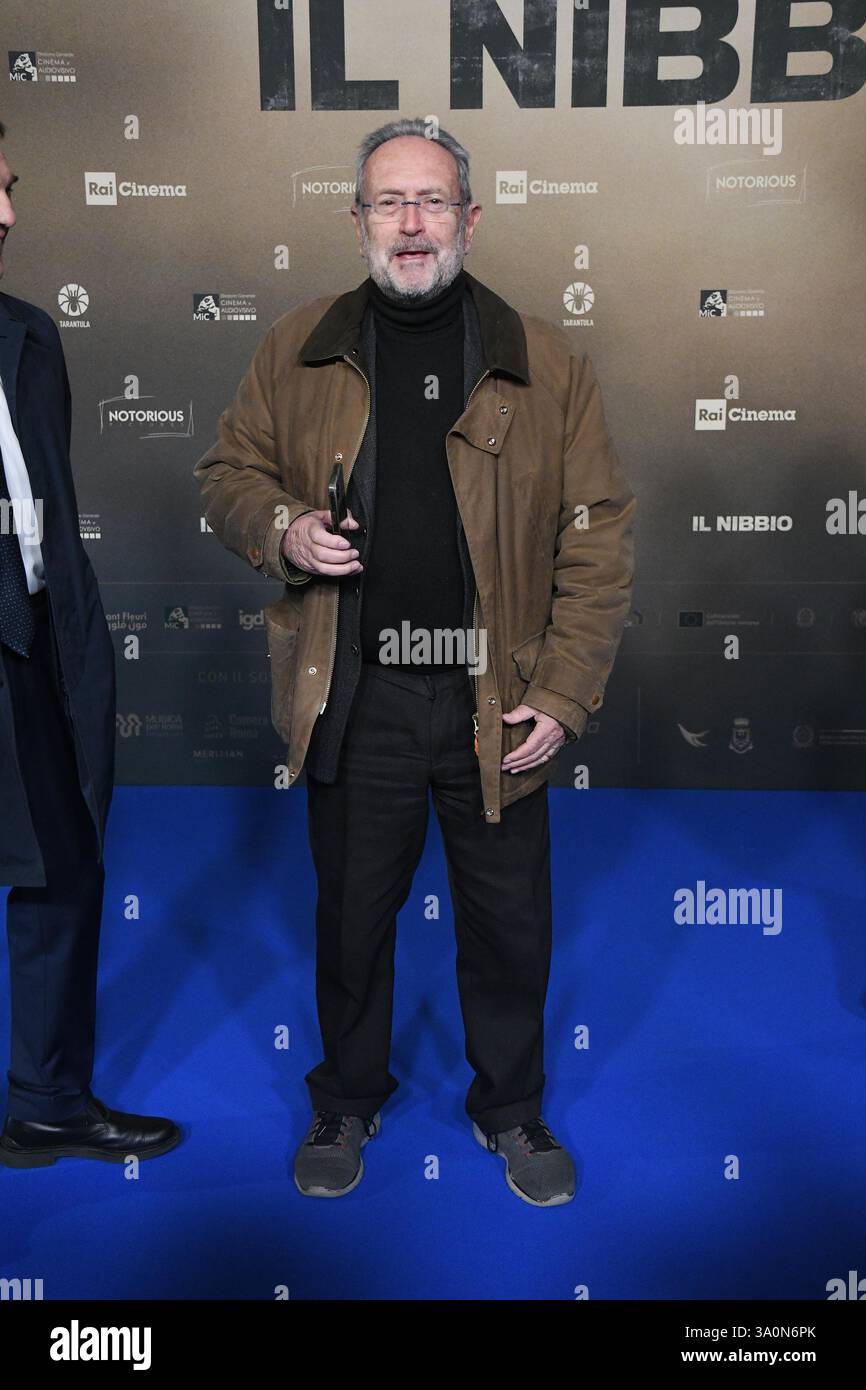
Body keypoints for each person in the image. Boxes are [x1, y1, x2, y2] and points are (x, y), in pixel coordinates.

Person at [194, 118, 635, 1206]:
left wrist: (566, 688)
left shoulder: (543, 358)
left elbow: (597, 536)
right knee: (349, 916)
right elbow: (225, 473)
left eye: (430, 201)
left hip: (496, 694)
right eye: (387, 202)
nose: (408, 223)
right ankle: (344, 1101)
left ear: (469, 219)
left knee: (508, 925)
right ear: (355, 221)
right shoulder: (297, 346)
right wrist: (284, 528)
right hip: (356, 687)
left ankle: (512, 1113)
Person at [0, 120, 180, 1168]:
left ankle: (46, 1102)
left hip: (30, 646)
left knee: (63, 868)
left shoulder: (30, 335)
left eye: (13, 189)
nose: (12, 215)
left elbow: (45, 512)